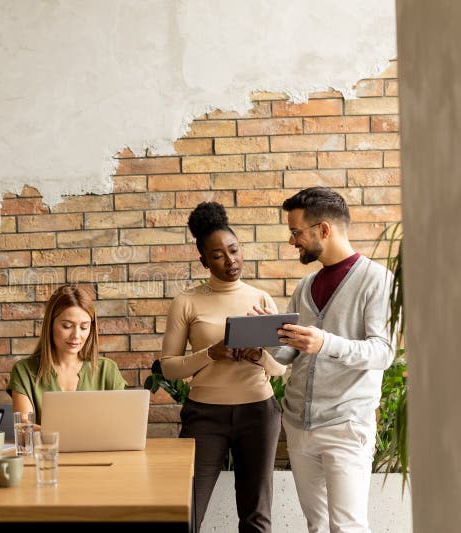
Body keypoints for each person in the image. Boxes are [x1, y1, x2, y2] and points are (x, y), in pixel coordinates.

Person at [264, 187, 394, 533]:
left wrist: (325, 342)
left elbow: (383, 352)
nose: (292, 241)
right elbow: (293, 354)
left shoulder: (378, 281)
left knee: (347, 526)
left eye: (296, 232)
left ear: (323, 229)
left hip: (346, 424)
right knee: (317, 526)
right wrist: (265, 339)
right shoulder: (305, 286)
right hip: (299, 425)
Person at [160, 201, 286, 533]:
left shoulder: (261, 299)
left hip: (258, 413)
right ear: (204, 261)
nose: (230, 260)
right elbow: (169, 368)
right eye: (218, 255)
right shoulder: (186, 302)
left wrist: (258, 355)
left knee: (256, 517)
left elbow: (280, 369)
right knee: (187, 513)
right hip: (205, 416)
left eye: (234, 250)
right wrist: (211, 353)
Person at [7, 284, 126, 424]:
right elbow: (25, 426)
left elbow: (121, 423)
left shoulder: (108, 370)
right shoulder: (24, 371)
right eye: (67, 326)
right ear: (50, 325)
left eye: (84, 327)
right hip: (47, 447)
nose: (76, 335)